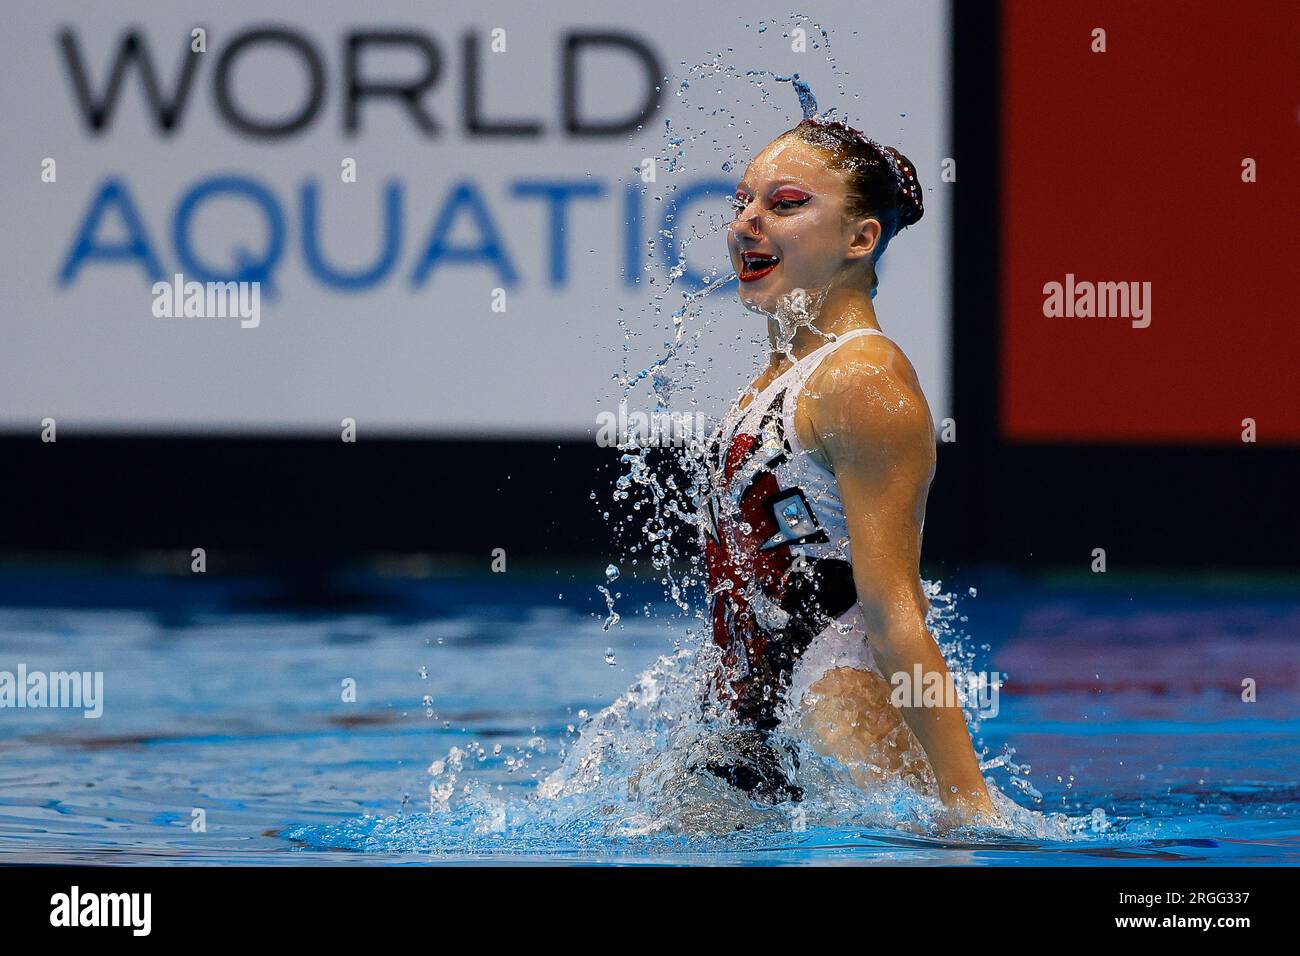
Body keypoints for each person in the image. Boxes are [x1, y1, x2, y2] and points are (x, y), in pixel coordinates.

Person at [697, 118, 998, 828]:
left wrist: (968, 808)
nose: (747, 223)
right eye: (743, 202)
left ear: (860, 240)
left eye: (786, 203)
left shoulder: (863, 377)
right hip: (762, 737)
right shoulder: (778, 378)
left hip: (839, 735)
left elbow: (896, 614)